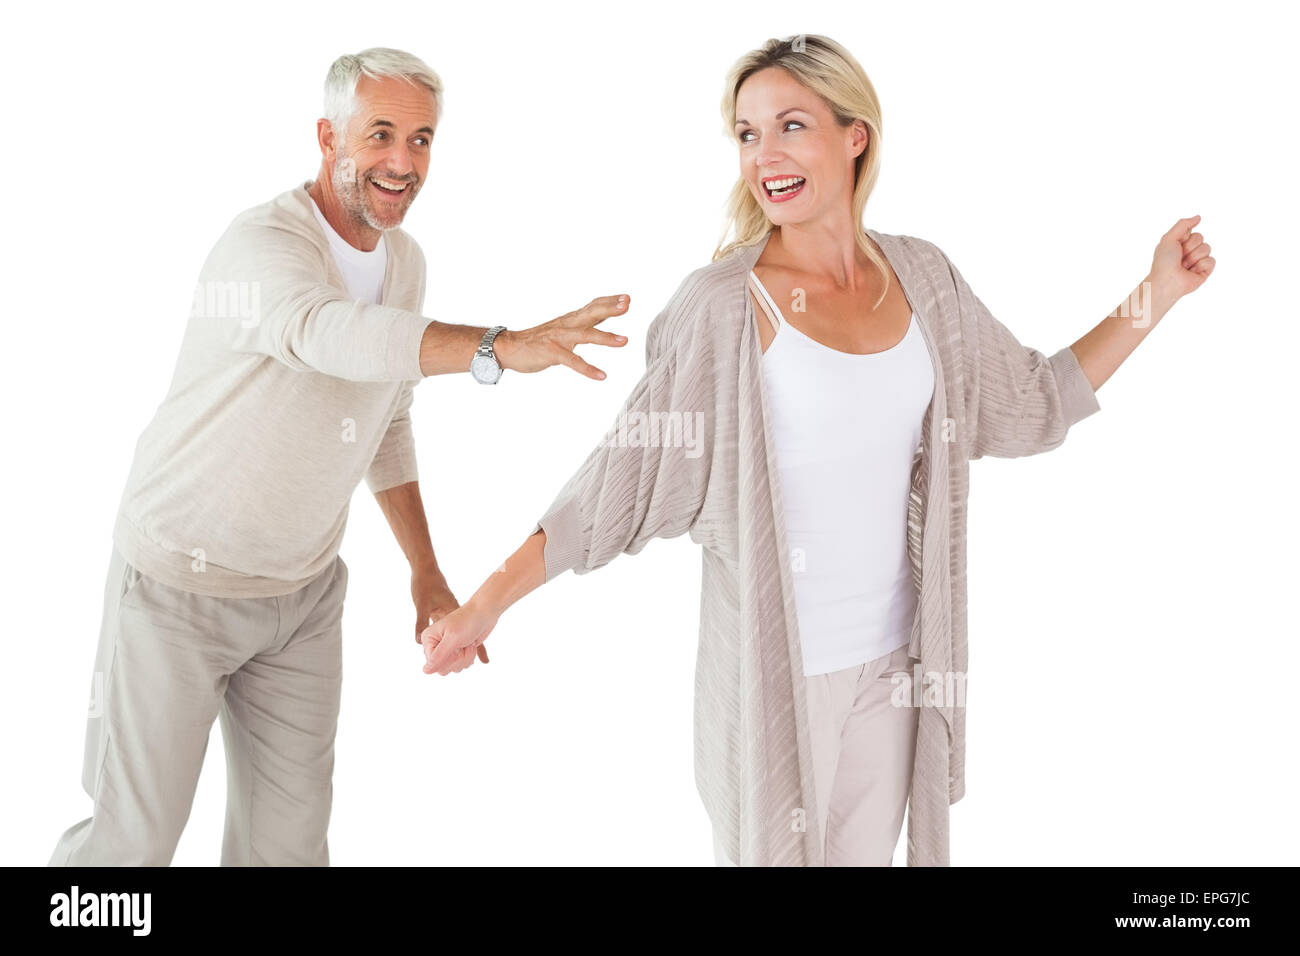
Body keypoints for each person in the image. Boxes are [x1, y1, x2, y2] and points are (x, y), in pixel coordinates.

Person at [418, 34, 1215, 866]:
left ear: (854, 135)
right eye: (748, 133)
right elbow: (617, 482)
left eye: (791, 125)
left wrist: (1156, 293)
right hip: (777, 682)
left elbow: (1034, 401)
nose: (766, 155)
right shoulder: (727, 306)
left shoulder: (924, 280)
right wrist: (484, 605)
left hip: (897, 668)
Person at [50, 47, 631, 866]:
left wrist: (423, 570)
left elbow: (385, 414)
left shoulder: (406, 265)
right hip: (177, 589)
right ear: (329, 138)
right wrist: (497, 347)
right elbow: (326, 335)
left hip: (301, 600)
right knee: (130, 843)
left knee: (288, 851)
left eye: (422, 140)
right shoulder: (264, 247)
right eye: (381, 135)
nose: (403, 162)